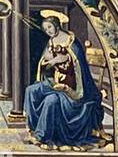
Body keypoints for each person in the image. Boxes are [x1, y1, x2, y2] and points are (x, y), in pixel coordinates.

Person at [23, 11, 103, 147]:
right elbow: (45, 63)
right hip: (55, 80)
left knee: (51, 100)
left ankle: (42, 135)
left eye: (50, 27)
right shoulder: (51, 41)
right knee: (31, 90)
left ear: (56, 25)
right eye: (46, 29)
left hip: (72, 86)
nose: (48, 31)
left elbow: (78, 66)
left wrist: (62, 60)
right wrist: (50, 62)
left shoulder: (71, 42)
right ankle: (34, 128)